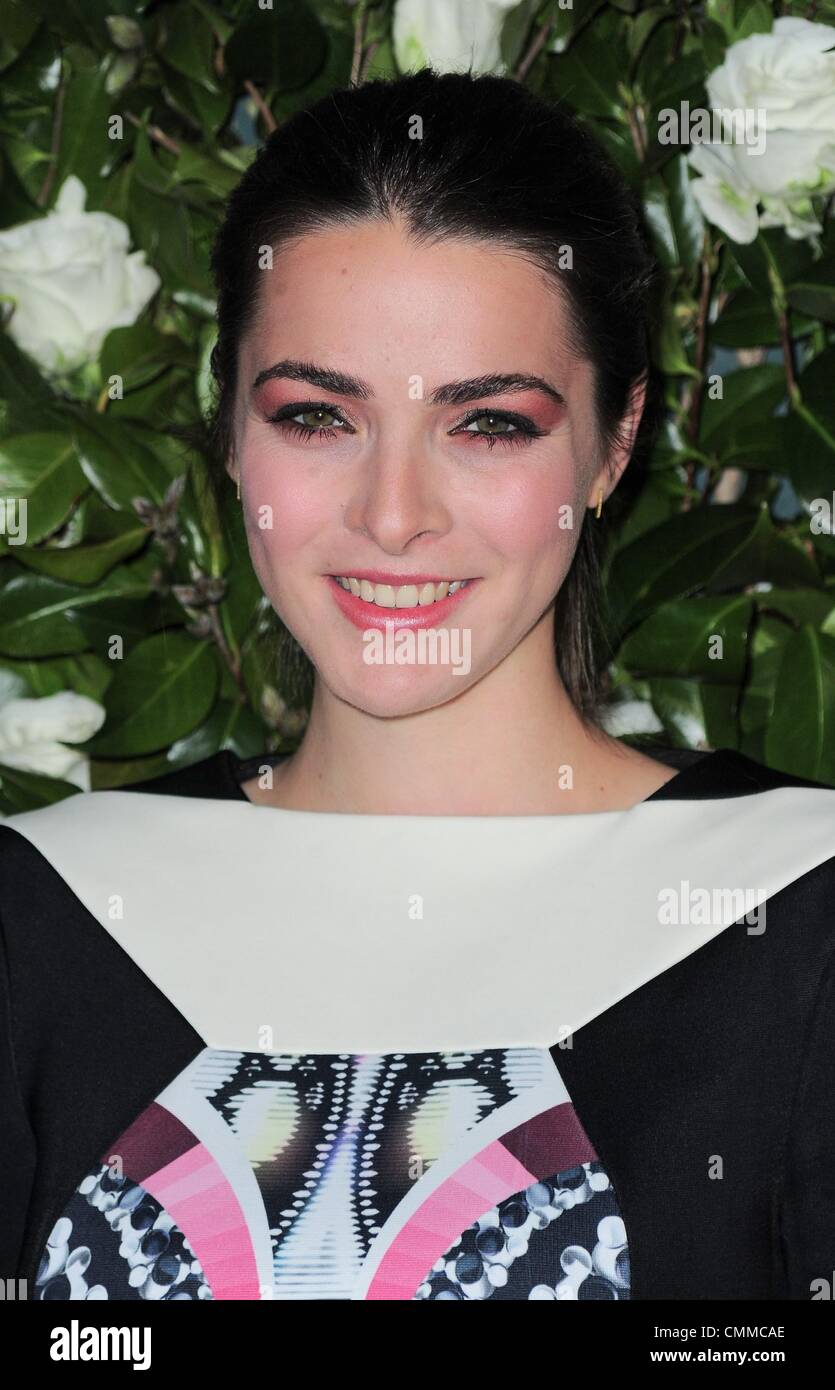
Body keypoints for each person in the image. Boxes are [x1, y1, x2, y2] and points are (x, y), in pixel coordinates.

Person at [2, 69, 834, 1303]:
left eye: (488, 423)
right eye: (315, 416)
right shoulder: (45, 912)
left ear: (612, 444)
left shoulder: (798, 909)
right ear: (228, 429)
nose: (393, 516)